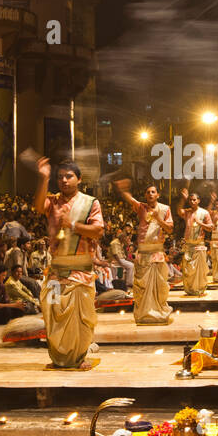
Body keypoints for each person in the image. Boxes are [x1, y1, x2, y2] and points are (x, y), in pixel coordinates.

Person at [34, 157, 103, 369]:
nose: (64, 180)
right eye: (60, 177)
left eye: (69, 176)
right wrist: (44, 178)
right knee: (52, 312)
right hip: (56, 273)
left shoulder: (91, 202)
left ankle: (80, 356)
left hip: (79, 273)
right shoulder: (53, 201)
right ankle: (59, 357)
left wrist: (72, 224)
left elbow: (98, 231)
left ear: (79, 179)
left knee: (81, 317)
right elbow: (37, 207)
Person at [116, 181, 174, 325]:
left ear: (158, 195)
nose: (150, 194)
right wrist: (123, 189)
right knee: (142, 286)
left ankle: (158, 312)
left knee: (159, 286)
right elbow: (129, 198)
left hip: (157, 252)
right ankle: (144, 315)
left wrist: (157, 218)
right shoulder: (141, 207)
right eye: (148, 192)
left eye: (153, 192)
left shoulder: (165, 209)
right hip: (143, 252)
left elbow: (170, 229)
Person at [176, 190, 211, 296]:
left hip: (199, 245)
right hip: (188, 244)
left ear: (198, 201)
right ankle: (190, 290)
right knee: (188, 269)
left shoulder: (204, 212)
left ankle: (199, 289)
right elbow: (178, 211)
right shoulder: (187, 212)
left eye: (194, 200)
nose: (192, 202)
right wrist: (183, 199)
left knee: (198, 271)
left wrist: (200, 223)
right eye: (190, 200)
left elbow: (210, 227)